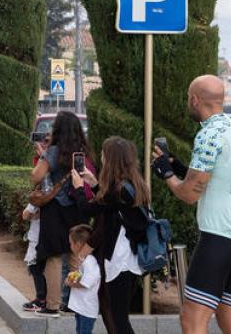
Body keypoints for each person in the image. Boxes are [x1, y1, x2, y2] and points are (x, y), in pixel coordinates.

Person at [152, 75, 231, 334]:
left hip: (219, 235)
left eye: (189, 98)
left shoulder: (208, 135)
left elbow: (190, 194)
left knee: (192, 320)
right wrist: (177, 166)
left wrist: (167, 174)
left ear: (195, 100)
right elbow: (218, 177)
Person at [73, 136, 148, 334]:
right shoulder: (132, 184)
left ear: (111, 159)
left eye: (104, 154)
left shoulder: (118, 190)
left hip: (121, 260)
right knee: (118, 316)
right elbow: (110, 208)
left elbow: (87, 209)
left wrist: (79, 187)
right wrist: (95, 184)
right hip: (130, 258)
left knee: (118, 319)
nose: (101, 158)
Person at [28, 111, 93, 315]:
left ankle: (53, 305)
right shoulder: (84, 151)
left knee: (54, 257)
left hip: (55, 209)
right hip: (77, 206)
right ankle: (75, 304)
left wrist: (43, 155)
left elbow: (35, 176)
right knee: (75, 257)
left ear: (57, 129)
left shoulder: (54, 152)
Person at [66, 224, 101, 334]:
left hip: (87, 309)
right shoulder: (84, 260)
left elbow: (86, 282)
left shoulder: (90, 261)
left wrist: (70, 283)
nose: (70, 246)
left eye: (71, 243)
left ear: (78, 244)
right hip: (81, 307)